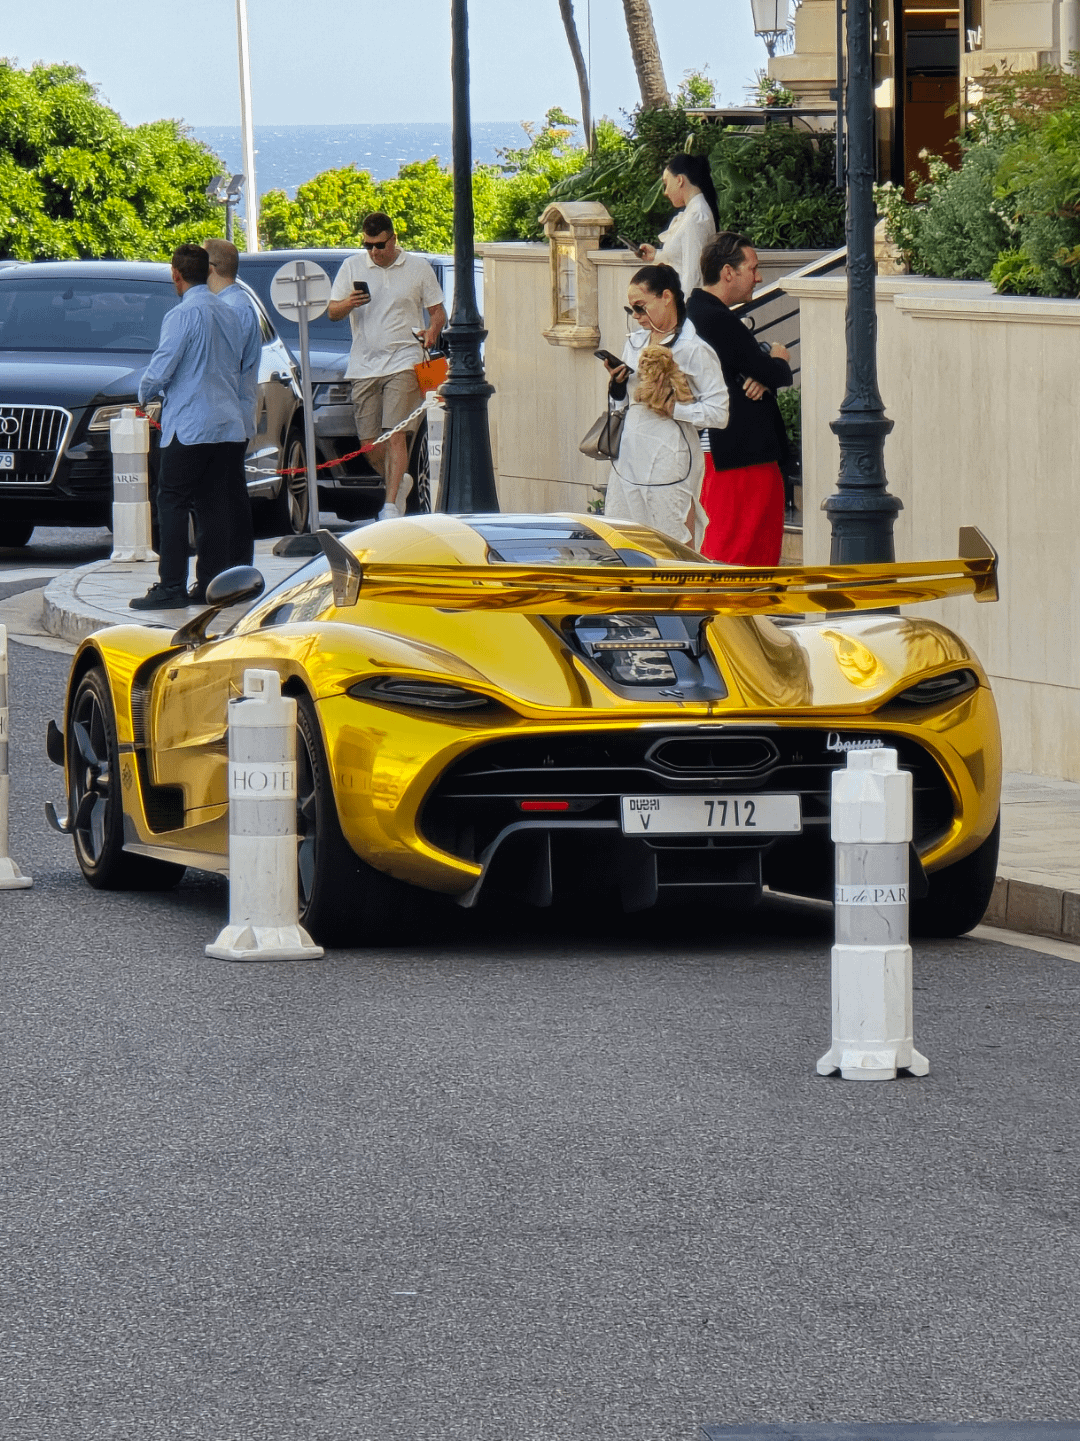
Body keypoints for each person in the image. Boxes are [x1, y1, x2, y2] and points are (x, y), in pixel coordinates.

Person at [131, 244, 247, 611]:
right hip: (227, 423)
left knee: (173, 501)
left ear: (176, 275)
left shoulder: (182, 315)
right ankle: (212, 582)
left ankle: (170, 585)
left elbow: (163, 365)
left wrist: (143, 393)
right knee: (215, 505)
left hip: (190, 424)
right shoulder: (230, 312)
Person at [327, 212, 447, 521]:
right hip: (364, 364)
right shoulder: (352, 266)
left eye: (379, 245)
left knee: (395, 434)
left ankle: (390, 506)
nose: (374, 252)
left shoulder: (417, 268)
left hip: (405, 359)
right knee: (369, 444)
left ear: (393, 239)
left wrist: (432, 332)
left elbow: (437, 312)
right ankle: (399, 481)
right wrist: (349, 303)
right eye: (368, 246)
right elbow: (332, 313)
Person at [600, 263, 728, 550]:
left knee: (672, 541)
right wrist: (618, 386)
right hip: (629, 454)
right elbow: (623, 405)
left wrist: (675, 409)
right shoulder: (634, 343)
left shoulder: (694, 349)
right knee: (625, 540)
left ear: (666, 297)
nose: (636, 316)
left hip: (671, 454)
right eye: (631, 310)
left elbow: (720, 413)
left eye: (641, 307)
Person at [686, 233, 793, 567]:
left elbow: (748, 370)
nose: (759, 278)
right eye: (753, 268)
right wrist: (778, 357)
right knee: (738, 554)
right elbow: (772, 371)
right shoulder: (713, 317)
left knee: (743, 552)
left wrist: (760, 373)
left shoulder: (703, 313)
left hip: (732, 454)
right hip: (737, 456)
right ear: (728, 272)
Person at [205, 236, 262, 570]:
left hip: (230, 413)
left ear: (211, 268)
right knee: (231, 489)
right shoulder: (238, 304)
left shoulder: (231, 307)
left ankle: (233, 563)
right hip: (236, 411)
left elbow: (227, 362)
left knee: (226, 493)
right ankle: (236, 561)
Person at [637, 154, 719, 296]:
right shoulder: (692, 214)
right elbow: (682, 262)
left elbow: (693, 277)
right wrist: (656, 256)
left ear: (679, 180)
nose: (665, 192)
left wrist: (682, 315)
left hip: (685, 307)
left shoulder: (696, 217)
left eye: (666, 183)